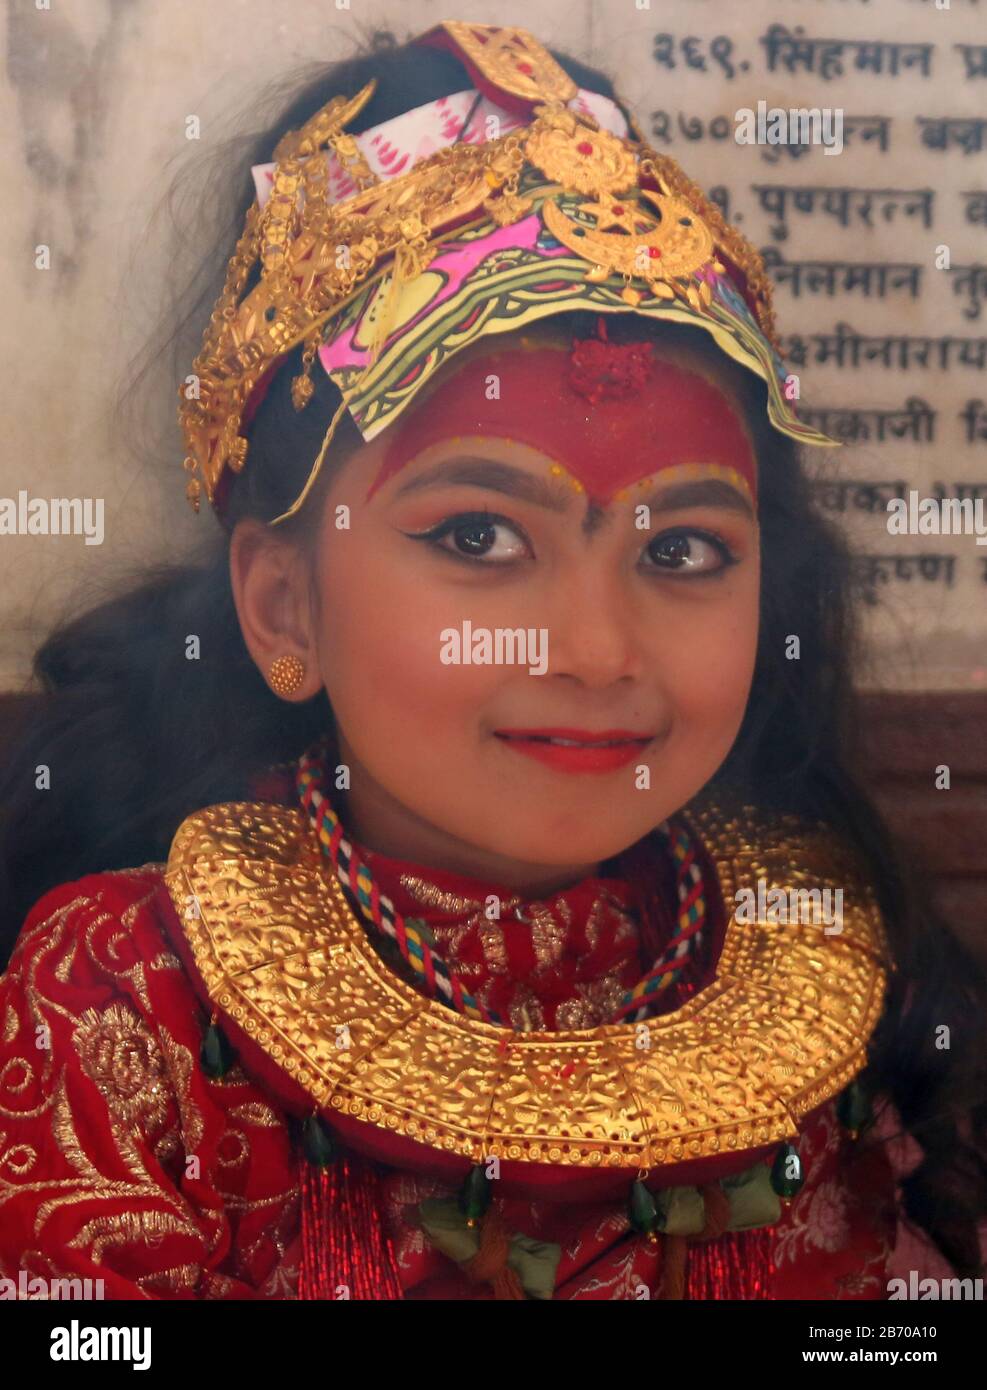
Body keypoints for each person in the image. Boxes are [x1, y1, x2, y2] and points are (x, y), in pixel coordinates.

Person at [0, 20, 984, 1302]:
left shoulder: (834, 961)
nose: (593, 648)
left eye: (682, 549)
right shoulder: (128, 1002)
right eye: (478, 534)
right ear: (284, 605)